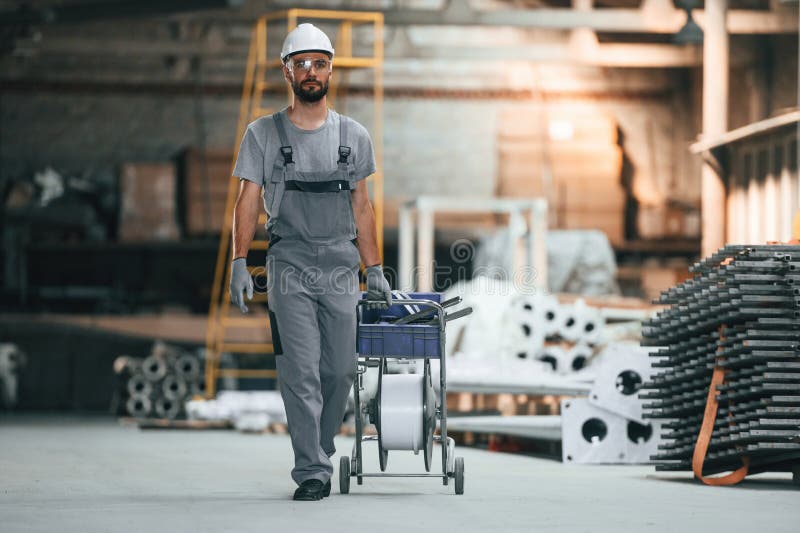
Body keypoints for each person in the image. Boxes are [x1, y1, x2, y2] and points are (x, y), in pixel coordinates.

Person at [228, 23, 392, 501]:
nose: (311, 71)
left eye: (319, 63)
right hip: (289, 264)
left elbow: (363, 206)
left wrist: (374, 267)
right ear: (286, 71)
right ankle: (312, 470)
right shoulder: (262, 134)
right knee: (298, 369)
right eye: (302, 63)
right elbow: (247, 199)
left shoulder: (353, 136)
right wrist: (240, 259)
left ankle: (319, 445)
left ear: (330, 70)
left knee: (340, 370)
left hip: (342, 264)